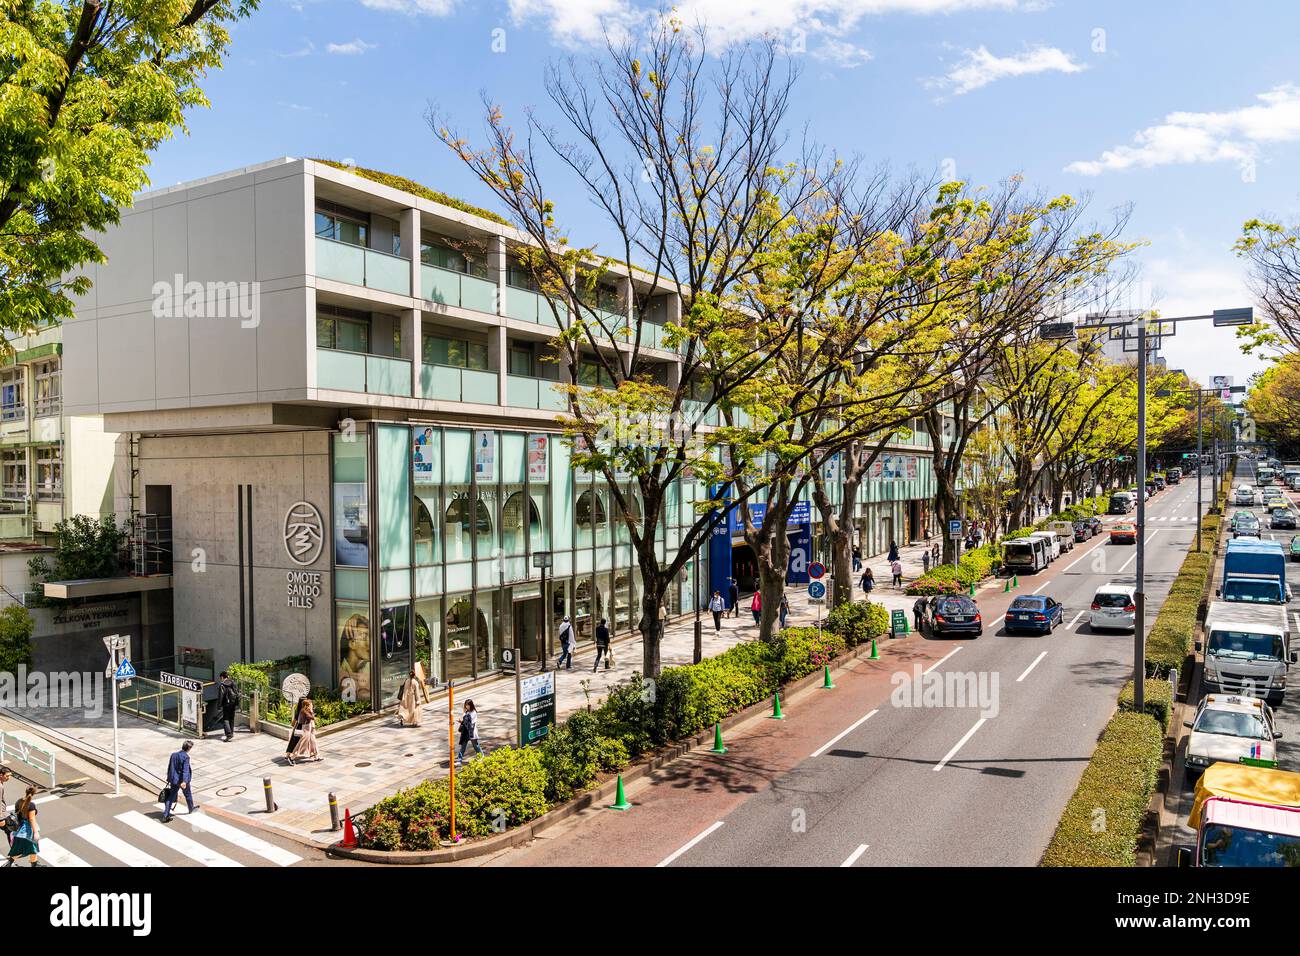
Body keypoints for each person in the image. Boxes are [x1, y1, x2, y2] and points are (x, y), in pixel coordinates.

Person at [4, 786, 43, 867]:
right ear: (34, 793)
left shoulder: (19, 801)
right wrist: (35, 832)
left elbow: (18, 815)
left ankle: (34, 864)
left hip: (19, 829)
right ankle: (8, 864)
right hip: (28, 830)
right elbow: (32, 819)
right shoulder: (31, 805)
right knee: (29, 848)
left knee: (32, 849)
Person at [162, 741, 196, 822]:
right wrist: (184, 781)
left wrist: (169, 778)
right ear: (189, 748)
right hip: (182, 781)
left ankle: (165, 815)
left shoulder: (173, 755)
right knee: (188, 795)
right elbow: (185, 770)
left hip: (174, 780)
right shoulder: (186, 757)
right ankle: (191, 808)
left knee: (171, 797)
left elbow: (170, 767)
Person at [289, 698, 320, 764]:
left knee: (312, 742)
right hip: (305, 729)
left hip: (308, 729)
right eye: (310, 705)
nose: (311, 706)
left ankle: (316, 756)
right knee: (302, 744)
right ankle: (292, 757)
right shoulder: (304, 711)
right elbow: (311, 717)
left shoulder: (305, 710)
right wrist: (311, 712)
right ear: (306, 705)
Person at [456, 699, 484, 763]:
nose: (467, 706)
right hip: (466, 732)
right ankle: (459, 760)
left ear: (471, 705)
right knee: (463, 746)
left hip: (472, 732)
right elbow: (465, 721)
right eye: (466, 705)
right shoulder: (466, 712)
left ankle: (481, 756)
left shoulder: (473, 712)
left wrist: (463, 716)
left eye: (468, 705)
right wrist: (462, 720)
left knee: (475, 745)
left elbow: (469, 722)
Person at [218, 671, 239, 742]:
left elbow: (221, 696)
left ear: (222, 677)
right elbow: (237, 692)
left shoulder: (222, 685)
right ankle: (231, 732)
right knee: (231, 718)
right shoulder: (233, 682)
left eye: (220, 678)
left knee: (225, 719)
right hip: (233, 703)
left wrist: (219, 706)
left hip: (226, 704)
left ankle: (228, 734)